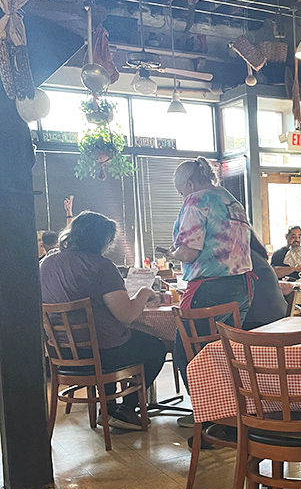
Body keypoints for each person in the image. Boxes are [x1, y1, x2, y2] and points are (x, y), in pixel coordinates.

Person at [40, 211, 167, 431]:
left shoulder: (46, 263)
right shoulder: (101, 266)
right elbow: (126, 314)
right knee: (155, 347)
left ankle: (108, 408)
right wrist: (145, 292)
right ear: (103, 241)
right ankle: (126, 409)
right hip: (101, 352)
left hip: (61, 353)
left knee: (107, 336)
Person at [160, 157, 253, 388]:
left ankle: (206, 414)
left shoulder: (196, 200)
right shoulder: (231, 200)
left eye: (181, 192)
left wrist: (173, 254)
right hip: (242, 285)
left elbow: (190, 253)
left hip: (209, 288)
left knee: (188, 353)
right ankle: (229, 412)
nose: (183, 197)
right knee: (225, 353)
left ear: (189, 184)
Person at [244, 232, 288, 330]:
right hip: (278, 316)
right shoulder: (256, 256)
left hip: (263, 321)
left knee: (215, 325)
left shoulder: (244, 258)